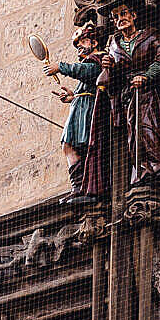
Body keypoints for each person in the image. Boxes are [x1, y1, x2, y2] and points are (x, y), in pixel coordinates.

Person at [92, 0, 160, 187]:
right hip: (128, 95)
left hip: (148, 91)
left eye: (123, 14)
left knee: (147, 127)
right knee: (133, 133)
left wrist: (147, 76)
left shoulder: (150, 35)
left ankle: (159, 165)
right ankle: (142, 169)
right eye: (115, 17)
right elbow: (110, 81)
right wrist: (109, 67)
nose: (120, 19)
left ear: (133, 16)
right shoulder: (113, 45)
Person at [45, 24, 106, 203]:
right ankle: (78, 186)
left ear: (94, 42)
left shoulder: (98, 60)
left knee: (83, 146)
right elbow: (87, 85)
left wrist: (61, 67)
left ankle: (85, 187)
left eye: (83, 41)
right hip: (80, 108)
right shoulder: (90, 61)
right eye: (77, 43)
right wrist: (72, 97)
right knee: (69, 146)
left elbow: (89, 73)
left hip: (89, 111)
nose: (79, 45)